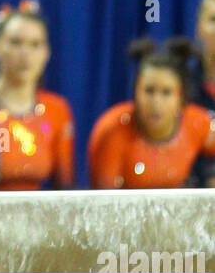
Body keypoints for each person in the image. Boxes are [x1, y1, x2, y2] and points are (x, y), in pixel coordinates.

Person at [89, 38, 215, 189]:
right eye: (149, 91)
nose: (156, 102)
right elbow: (104, 199)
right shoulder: (112, 129)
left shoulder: (198, 123)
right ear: (135, 92)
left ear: (181, 97)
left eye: (166, 92)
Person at [0, 0, 75, 190]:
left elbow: (65, 187)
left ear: (47, 53)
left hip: (37, 209)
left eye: (35, 45)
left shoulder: (57, 109)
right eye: (15, 42)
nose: (25, 53)